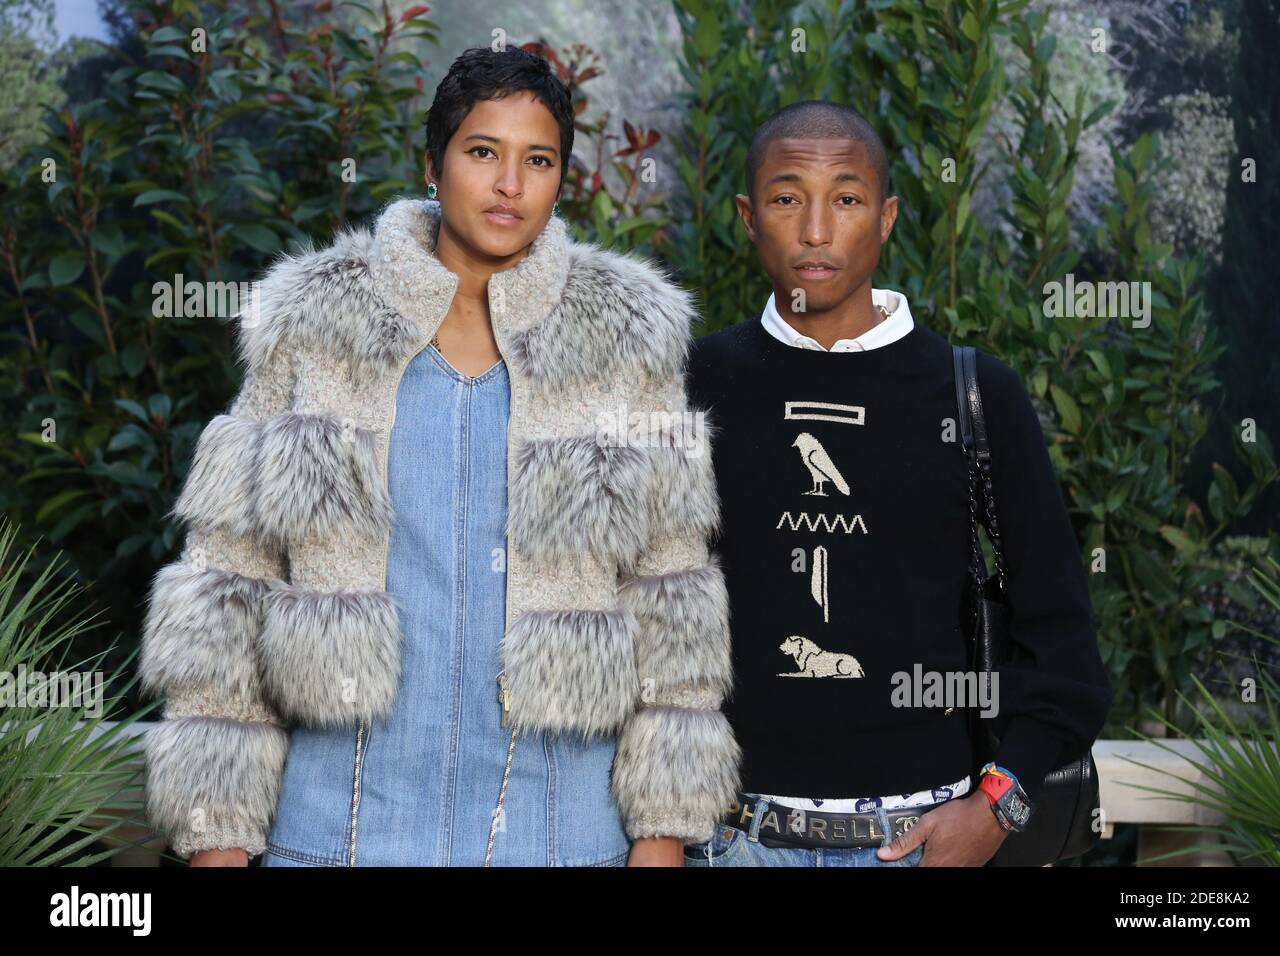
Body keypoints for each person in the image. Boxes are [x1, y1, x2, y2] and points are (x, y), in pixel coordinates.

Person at [138, 45, 739, 867]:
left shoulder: (625, 336)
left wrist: (662, 838)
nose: (508, 184)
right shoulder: (317, 323)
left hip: (559, 835)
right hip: (336, 832)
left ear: (562, 178)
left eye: (538, 160)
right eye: (482, 152)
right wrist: (215, 840)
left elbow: (672, 594)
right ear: (435, 165)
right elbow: (228, 581)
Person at [682, 100, 1112, 867]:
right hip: (732, 839)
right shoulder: (694, 381)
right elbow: (643, 621)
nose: (816, 229)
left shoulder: (974, 394)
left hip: (923, 842)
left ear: (885, 217)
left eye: (845, 199)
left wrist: (997, 807)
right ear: (748, 216)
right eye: (787, 198)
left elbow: (1066, 653)